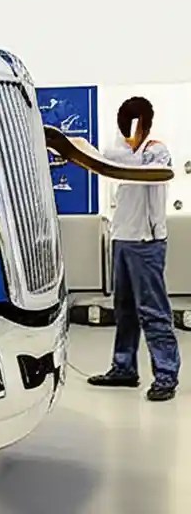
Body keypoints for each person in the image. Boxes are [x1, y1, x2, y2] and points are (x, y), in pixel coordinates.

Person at [87, 96, 180, 402]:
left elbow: (157, 173)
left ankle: (166, 375)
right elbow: (108, 160)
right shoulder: (121, 151)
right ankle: (124, 368)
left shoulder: (156, 150)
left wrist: (127, 157)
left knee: (153, 311)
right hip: (122, 239)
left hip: (146, 243)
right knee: (124, 310)